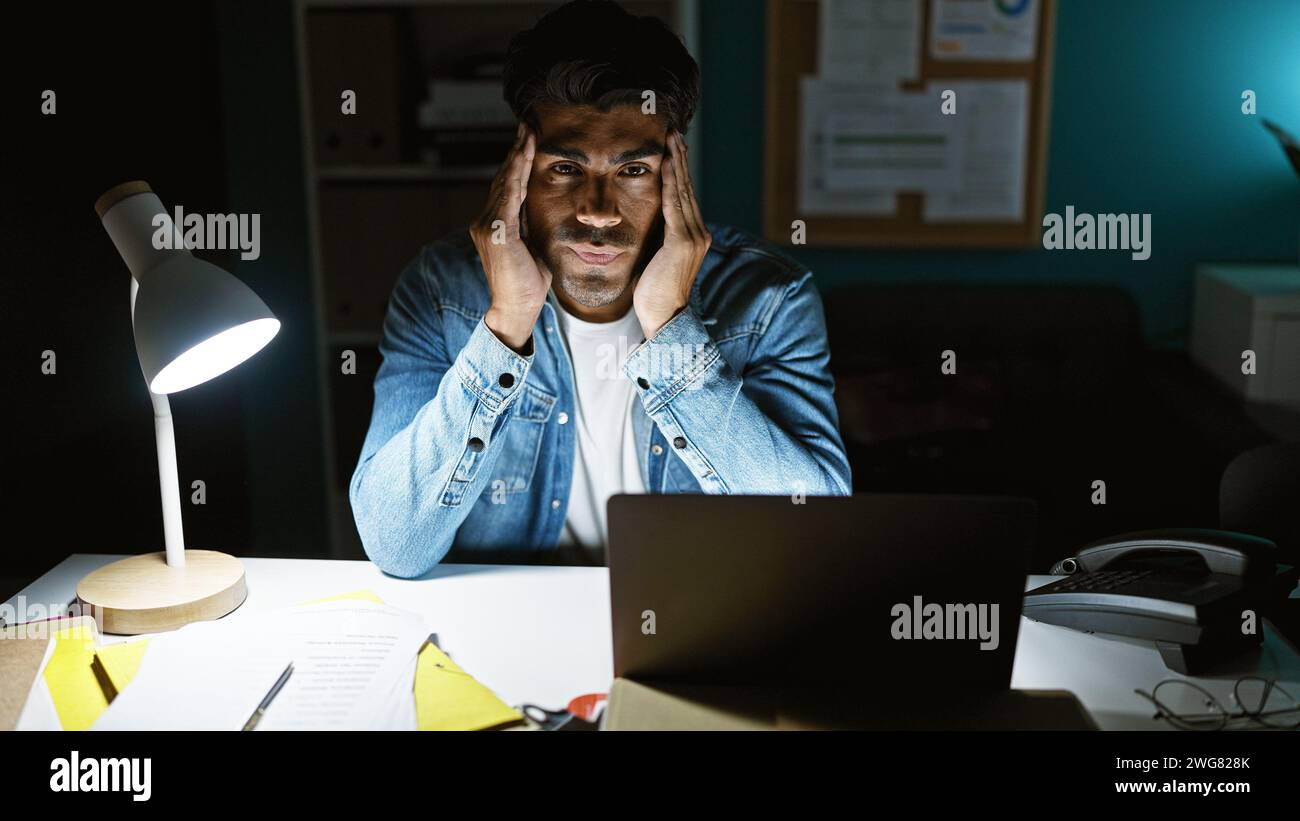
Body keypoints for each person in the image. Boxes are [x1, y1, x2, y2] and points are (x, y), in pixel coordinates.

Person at [351, 0, 851, 576]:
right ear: (519, 167)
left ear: (674, 169)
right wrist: (506, 324)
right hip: (512, 630)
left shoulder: (770, 297)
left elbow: (813, 533)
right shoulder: (441, 291)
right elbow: (396, 545)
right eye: (566, 169)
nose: (598, 213)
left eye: (632, 171)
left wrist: (670, 326)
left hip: (692, 626)